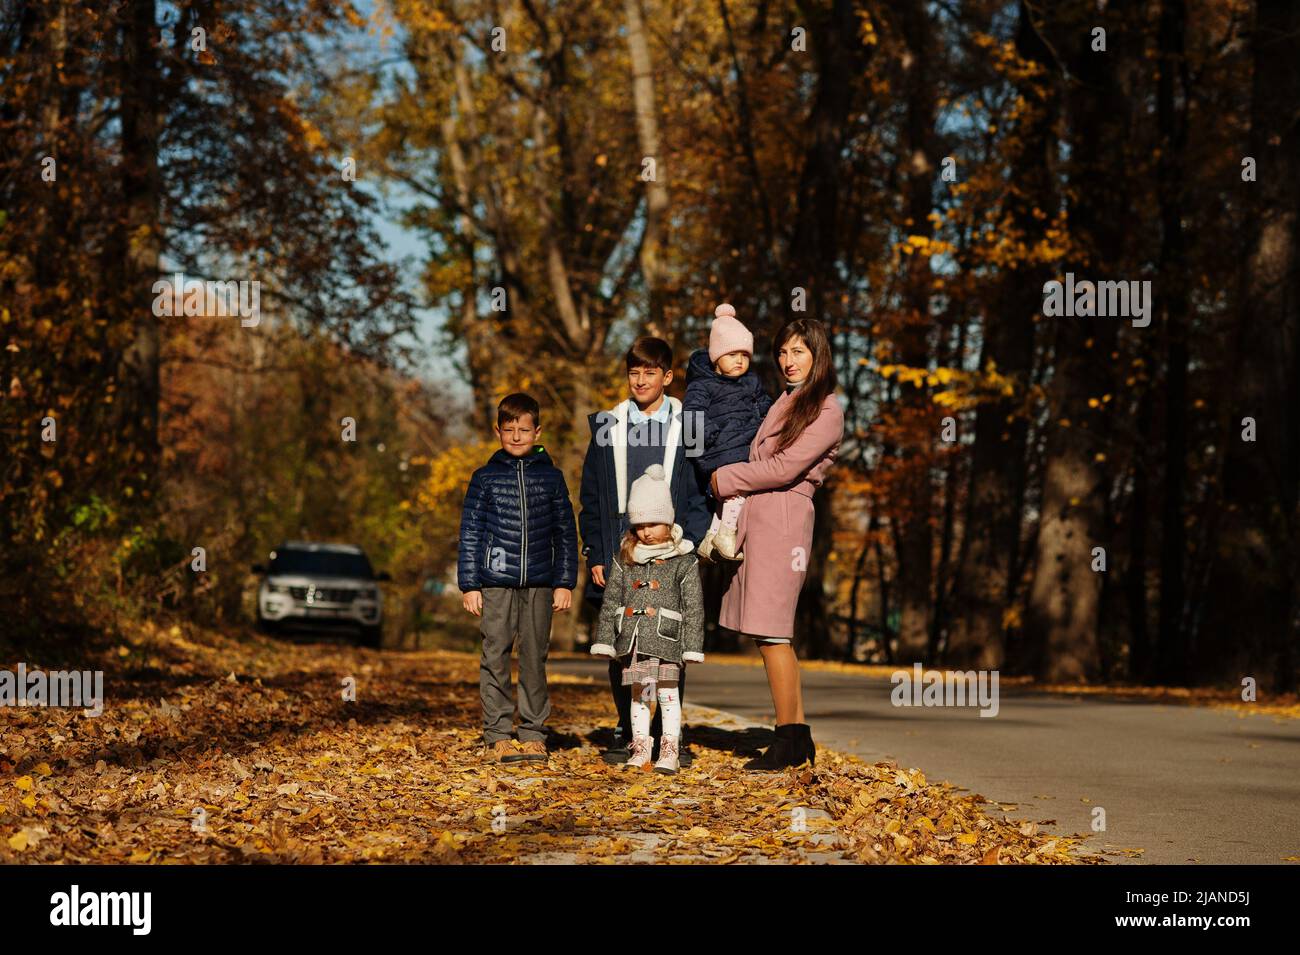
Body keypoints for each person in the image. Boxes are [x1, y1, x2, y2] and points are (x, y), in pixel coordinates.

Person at [709, 319, 843, 770]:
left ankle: (786, 738)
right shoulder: (786, 401)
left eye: (798, 352)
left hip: (785, 518)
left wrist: (724, 478)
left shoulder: (827, 408)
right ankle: (798, 735)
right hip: (762, 516)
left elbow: (785, 468)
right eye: (783, 352)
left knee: (773, 633)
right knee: (767, 633)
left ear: (818, 355)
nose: (788, 361)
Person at [578, 337, 711, 763]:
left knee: (668, 635)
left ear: (667, 377)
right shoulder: (606, 426)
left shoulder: (687, 426)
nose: (640, 380)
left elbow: (699, 492)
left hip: (670, 548)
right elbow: (591, 496)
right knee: (624, 636)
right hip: (622, 549)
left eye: (650, 372)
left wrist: (687, 542)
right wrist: (596, 553)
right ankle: (629, 729)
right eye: (633, 372)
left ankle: (668, 733)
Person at [458, 393, 577, 764]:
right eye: (508, 430)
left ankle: (532, 732)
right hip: (494, 580)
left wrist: (564, 581)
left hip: (541, 580)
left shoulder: (552, 478)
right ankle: (497, 733)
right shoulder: (485, 478)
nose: (515, 436)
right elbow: (471, 532)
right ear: (497, 431)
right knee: (494, 653)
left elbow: (565, 531)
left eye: (523, 430)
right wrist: (470, 583)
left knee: (534, 656)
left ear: (537, 432)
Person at [589, 465, 704, 774]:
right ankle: (641, 746)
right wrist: (604, 640)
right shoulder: (625, 558)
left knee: (666, 694)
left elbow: (693, 606)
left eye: (653, 523)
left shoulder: (683, 560)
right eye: (640, 525)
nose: (646, 532)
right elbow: (612, 600)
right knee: (639, 694)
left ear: (668, 520)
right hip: (635, 641)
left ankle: (669, 747)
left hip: (666, 641)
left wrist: (692, 646)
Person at [683, 302, 774, 561]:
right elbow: (692, 414)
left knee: (728, 498)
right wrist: (707, 434)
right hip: (719, 449)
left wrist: (771, 418)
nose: (740, 361)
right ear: (716, 356)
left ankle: (712, 536)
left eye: (745, 355)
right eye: (732, 354)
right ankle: (727, 534)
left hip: (742, 446)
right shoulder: (702, 385)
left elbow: (764, 404)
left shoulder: (751, 382)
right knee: (740, 491)